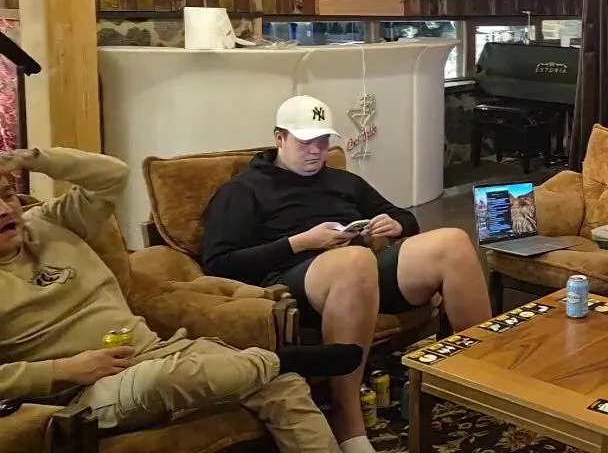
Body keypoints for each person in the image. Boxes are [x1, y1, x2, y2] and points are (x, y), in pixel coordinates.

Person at [0, 146, 363, 453]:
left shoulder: (49, 222)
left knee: (282, 386)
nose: (4, 209)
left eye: (6, 194)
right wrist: (63, 370)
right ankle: (281, 359)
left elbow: (113, 175)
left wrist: (30, 158)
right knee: (164, 379)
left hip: (155, 351)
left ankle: (276, 368)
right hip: (83, 390)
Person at [201, 94, 492, 453]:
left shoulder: (342, 181)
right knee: (354, 260)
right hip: (292, 282)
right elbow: (219, 263)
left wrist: (395, 225)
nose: (316, 151)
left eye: (323, 141)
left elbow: (404, 216)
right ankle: (348, 421)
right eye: (305, 142)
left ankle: (482, 375)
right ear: (280, 138)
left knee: (452, 241)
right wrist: (299, 243)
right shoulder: (243, 190)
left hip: (362, 270)